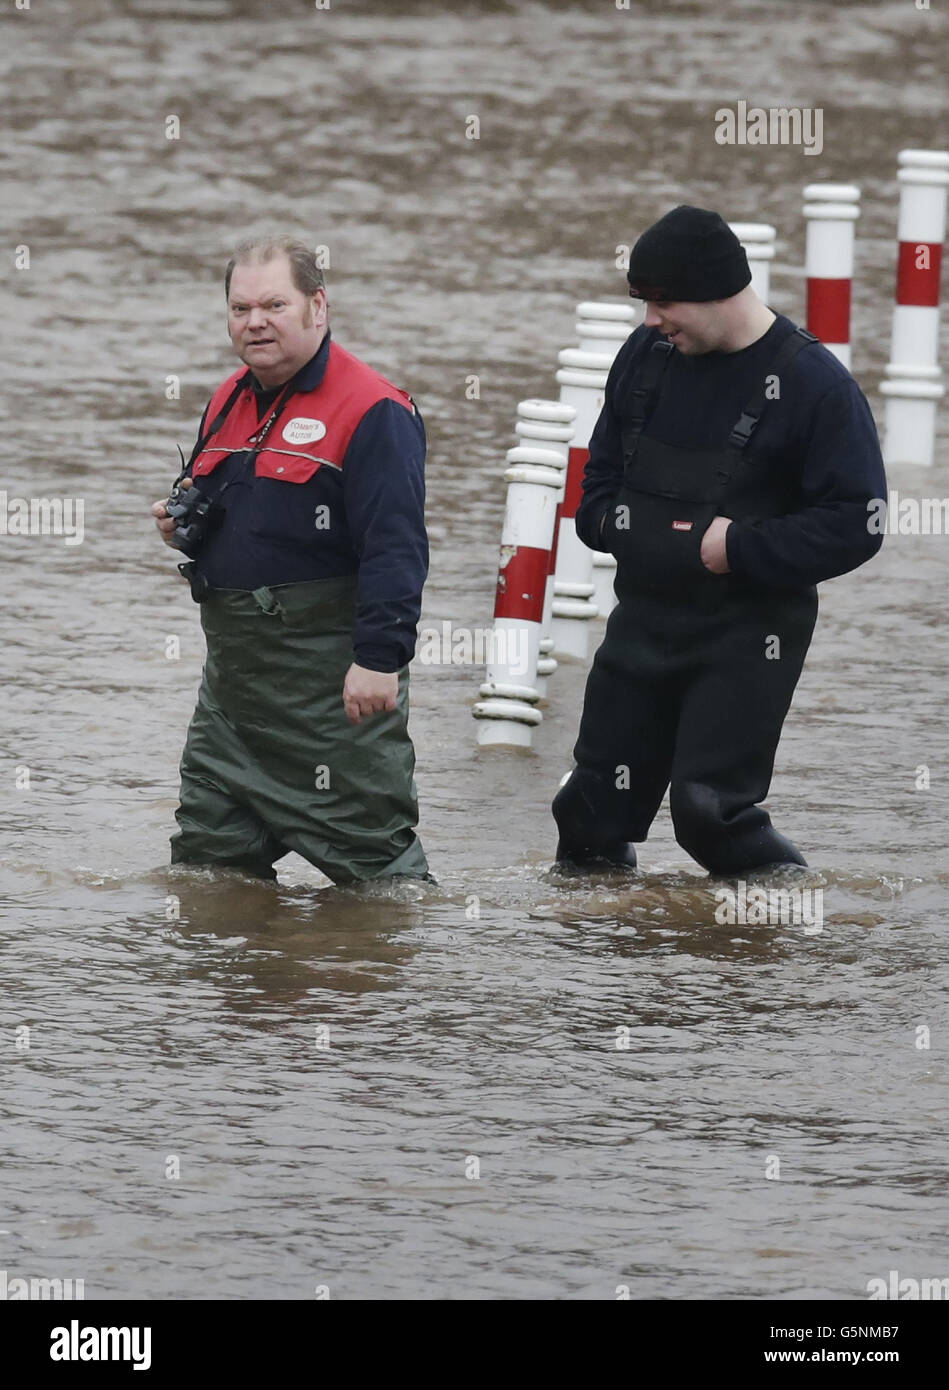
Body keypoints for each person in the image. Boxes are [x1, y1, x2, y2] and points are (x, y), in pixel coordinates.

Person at [552, 205, 886, 876]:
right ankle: (593, 967)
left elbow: (859, 521)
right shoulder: (645, 358)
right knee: (589, 816)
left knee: (708, 814)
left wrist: (740, 547)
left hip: (748, 632)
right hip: (642, 617)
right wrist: (614, 524)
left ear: (718, 290)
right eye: (643, 301)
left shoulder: (813, 385)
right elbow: (599, 475)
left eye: (663, 301)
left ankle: (790, 929)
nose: (651, 319)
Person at [152, 234, 431, 884]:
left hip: (330, 699)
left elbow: (397, 547)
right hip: (233, 699)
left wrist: (379, 660)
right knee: (207, 877)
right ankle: (254, 980)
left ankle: (408, 985)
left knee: (385, 889)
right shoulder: (228, 397)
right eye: (240, 308)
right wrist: (182, 530)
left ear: (318, 306)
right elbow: (230, 511)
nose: (255, 322)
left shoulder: (373, 410)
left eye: (274, 305)